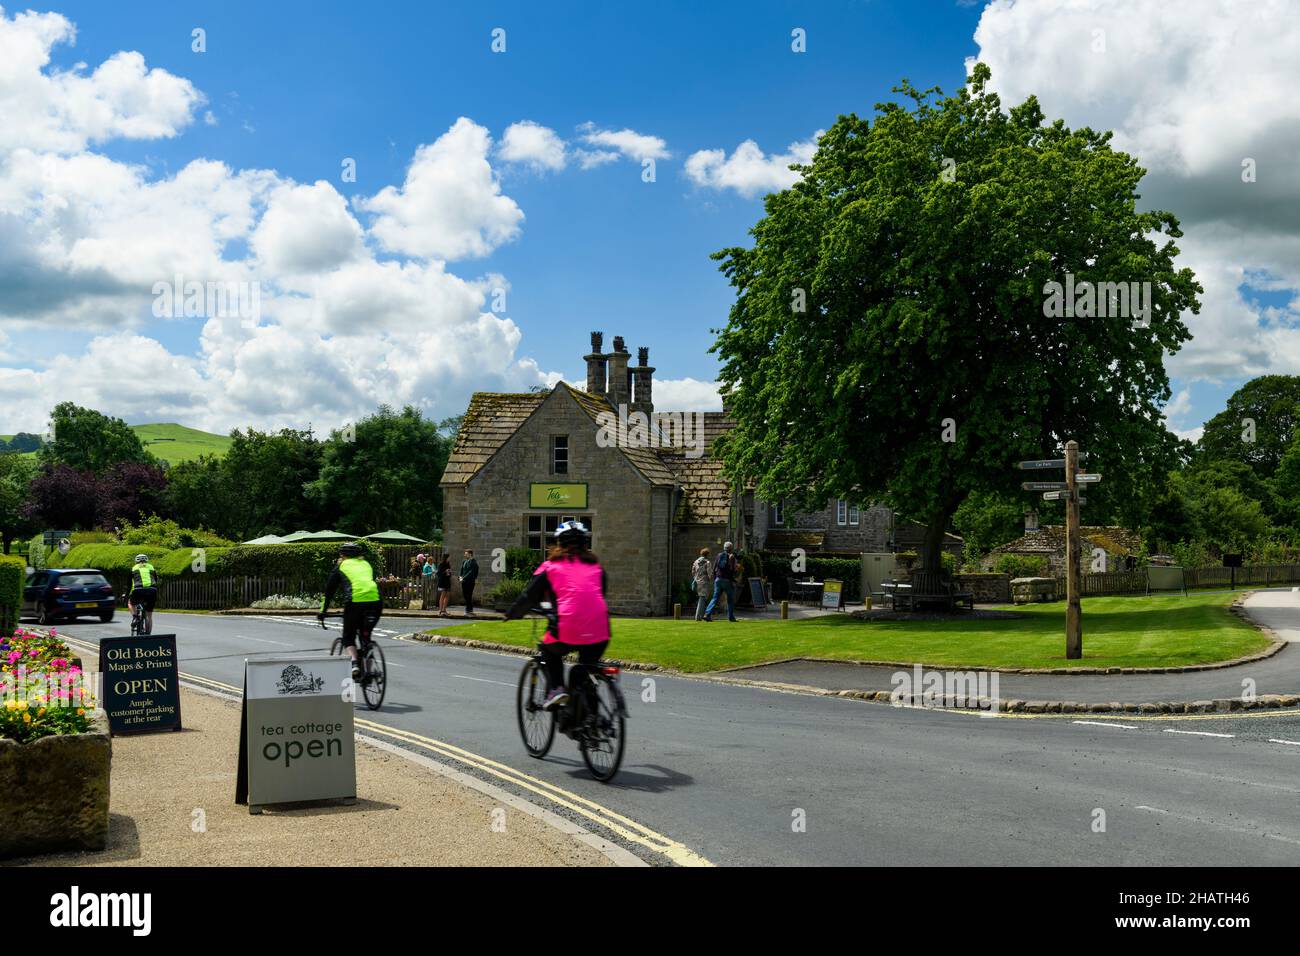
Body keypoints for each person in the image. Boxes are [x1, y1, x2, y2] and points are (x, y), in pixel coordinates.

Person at [505, 521, 610, 711]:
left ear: (559, 544)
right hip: (600, 629)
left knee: (549, 651)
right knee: (586, 670)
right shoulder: (596, 567)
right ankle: (593, 725)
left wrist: (512, 613)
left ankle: (556, 689)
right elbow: (600, 594)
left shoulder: (550, 566)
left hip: (568, 625)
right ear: (586, 544)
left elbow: (529, 596)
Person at [318, 542, 383, 681]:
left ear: (342, 555)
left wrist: (323, 611)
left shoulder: (341, 566)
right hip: (376, 602)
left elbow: (329, 591)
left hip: (355, 603)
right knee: (366, 637)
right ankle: (369, 673)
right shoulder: (366, 564)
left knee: (348, 637)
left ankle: (354, 664)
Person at [704, 540, 739, 622]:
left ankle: (707, 614)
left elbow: (714, 567)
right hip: (727, 581)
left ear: (724, 548)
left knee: (715, 598)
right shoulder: (732, 557)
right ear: (731, 549)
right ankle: (731, 617)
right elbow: (733, 570)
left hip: (718, 579)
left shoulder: (719, 555)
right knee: (730, 599)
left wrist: (715, 578)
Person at [127, 554, 159, 634]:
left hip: (138, 590)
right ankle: (148, 634)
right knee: (149, 615)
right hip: (152, 590)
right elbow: (155, 580)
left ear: (136, 561)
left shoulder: (134, 568)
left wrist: (127, 594)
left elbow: (129, 584)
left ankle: (135, 617)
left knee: (130, 603)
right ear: (146, 560)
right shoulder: (151, 567)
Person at [691, 547, 712, 621]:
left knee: (702, 598)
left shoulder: (696, 562)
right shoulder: (707, 562)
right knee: (702, 599)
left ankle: (702, 616)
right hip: (704, 582)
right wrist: (710, 579)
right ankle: (697, 617)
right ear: (707, 554)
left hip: (697, 582)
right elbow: (709, 574)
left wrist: (696, 578)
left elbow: (693, 572)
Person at [459, 548, 479, 617]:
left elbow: (471, 572)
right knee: (465, 595)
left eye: (466, 554)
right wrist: (460, 576)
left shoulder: (473, 562)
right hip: (464, 581)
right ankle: (470, 610)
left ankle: (468, 610)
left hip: (470, 581)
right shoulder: (464, 561)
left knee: (468, 595)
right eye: (465, 553)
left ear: (470, 554)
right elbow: (461, 570)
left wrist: (464, 578)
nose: (465, 555)